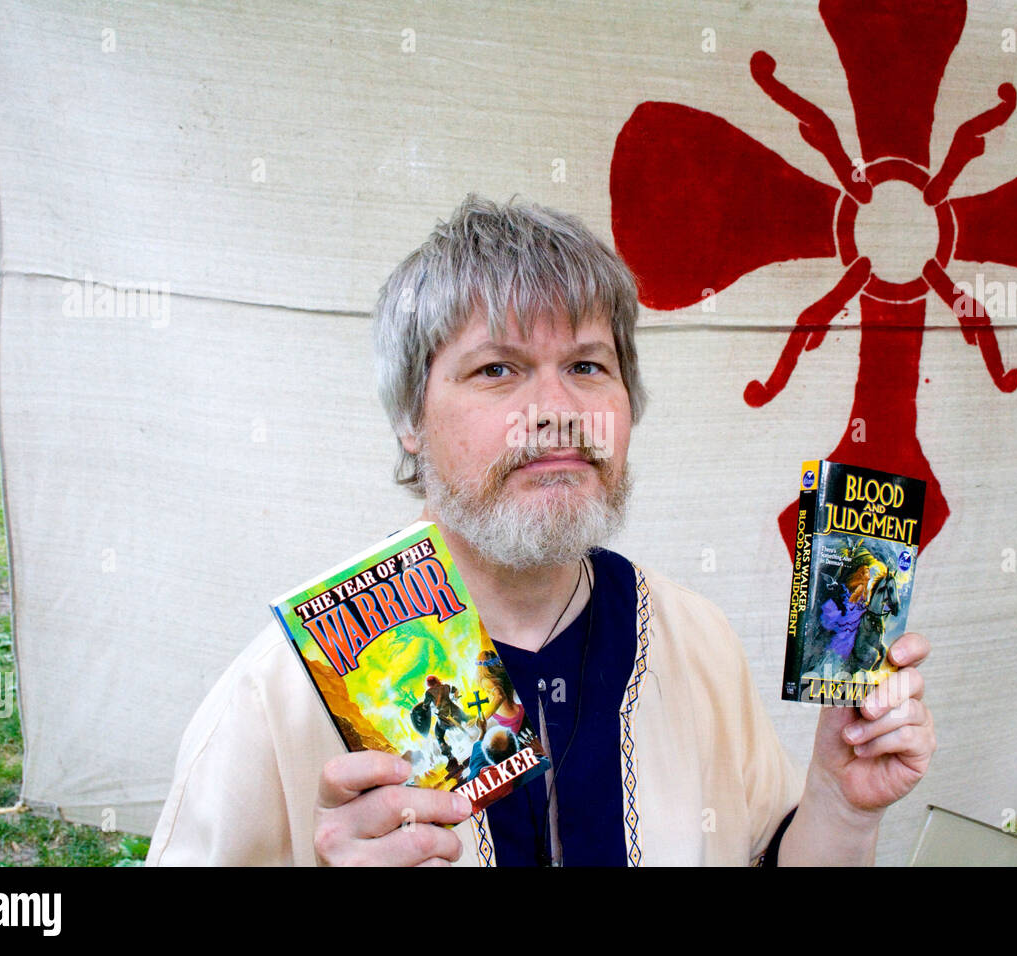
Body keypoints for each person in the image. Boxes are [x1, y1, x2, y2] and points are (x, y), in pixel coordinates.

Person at [146, 194, 936, 867]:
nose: (557, 411)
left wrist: (839, 805)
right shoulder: (274, 697)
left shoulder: (699, 642)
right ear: (409, 421)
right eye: (498, 369)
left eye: (589, 367)